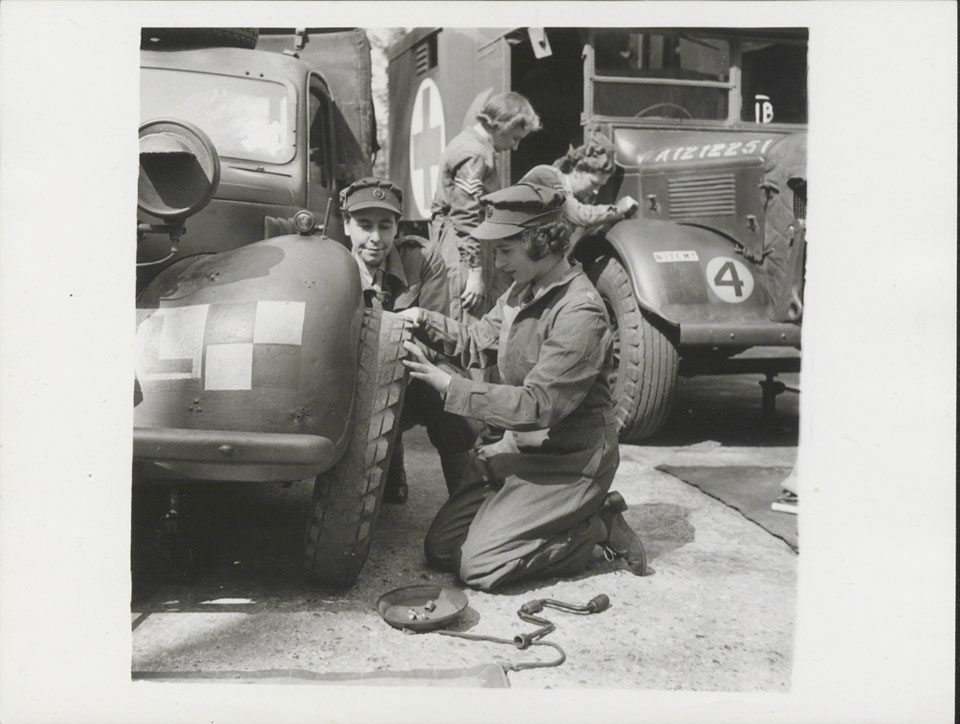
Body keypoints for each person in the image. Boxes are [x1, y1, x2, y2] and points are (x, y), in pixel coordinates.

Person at [400, 183, 648, 591]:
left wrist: (450, 386)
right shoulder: (522, 292)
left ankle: (595, 528)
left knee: (479, 567)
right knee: (443, 549)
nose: (497, 264)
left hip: (572, 461)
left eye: (505, 250)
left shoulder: (580, 311)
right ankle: (524, 517)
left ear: (541, 242)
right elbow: (478, 341)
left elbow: (539, 405)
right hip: (527, 451)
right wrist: (423, 320)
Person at [340, 177, 479, 504]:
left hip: (406, 372)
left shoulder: (421, 258)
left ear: (396, 227)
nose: (375, 238)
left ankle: (468, 510)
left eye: (385, 226)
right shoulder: (331, 266)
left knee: (450, 397)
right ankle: (389, 461)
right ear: (346, 225)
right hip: (349, 384)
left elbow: (433, 341)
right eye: (364, 225)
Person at [430, 91, 542, 325]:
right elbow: (466, 216)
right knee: (468, 321)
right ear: (502, 125)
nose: (515, 146)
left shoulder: (473, 145)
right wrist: (475, 272)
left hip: (470, 246)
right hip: (464, 250)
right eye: (514, 138)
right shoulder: (474, 154)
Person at [519, 137, 639, 242]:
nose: (596, 191)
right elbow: (578, 215)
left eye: (600, 186)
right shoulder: (546, 176)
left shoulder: (578, 199)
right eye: (593, 183)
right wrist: (619, 209)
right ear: (577, 171)